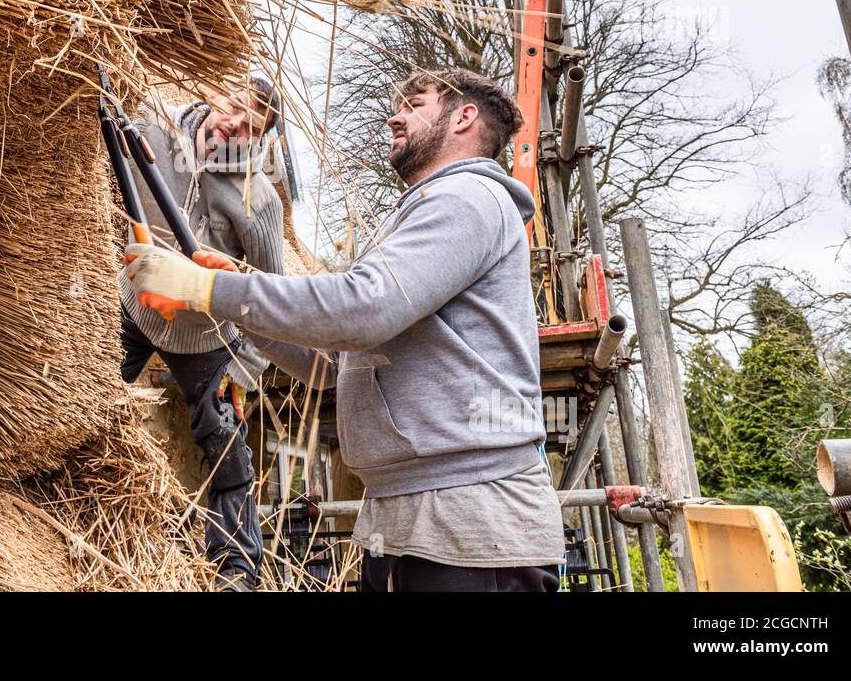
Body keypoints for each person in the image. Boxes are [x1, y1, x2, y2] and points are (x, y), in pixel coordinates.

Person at [125, 67, 565, 592]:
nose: (394, 116)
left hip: (470, 528)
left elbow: (362, 308)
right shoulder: (416, 215)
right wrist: (236, 307)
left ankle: (236, 565)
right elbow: (334, 362)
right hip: (404, 522)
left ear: (464, 116)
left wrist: (207, 291)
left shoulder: (467, 198)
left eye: (415, 103)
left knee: (220, 440)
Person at [116, 75, 287, 591]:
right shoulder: (151, 127)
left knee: (225, 441)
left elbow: (270, 296)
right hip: (137, 306)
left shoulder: (259, 202)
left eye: (251, 121)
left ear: (261, 136)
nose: (234, 121)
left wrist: (243, 369)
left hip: (206, 334)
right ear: (217, 93)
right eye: (234, 103)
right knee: (89, 396)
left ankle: (236, 568)